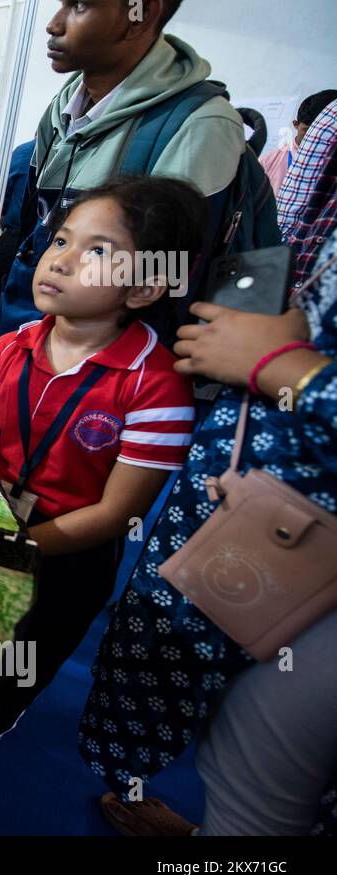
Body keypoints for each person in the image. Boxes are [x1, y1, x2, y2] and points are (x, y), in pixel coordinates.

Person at [0, 176, 202, 800]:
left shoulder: (157, 386)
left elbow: (115, 514)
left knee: (17, 664)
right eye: (61, 238)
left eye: (97, 250)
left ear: (144, 286)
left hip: (69, 556)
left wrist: (21, 545)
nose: (58, 258)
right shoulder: (8, 348)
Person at [80, 228, 337, 837]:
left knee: (266, 774)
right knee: (239, 756)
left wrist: (287, 369)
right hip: (258, 524)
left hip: (310, 556)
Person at [0, 0, 245, 335]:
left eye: (79, 4)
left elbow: (169, 280)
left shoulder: (199, 124)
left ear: (139, 14)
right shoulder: (64, 104)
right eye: (60, 2)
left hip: (102, 370)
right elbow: (35, 231)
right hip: (24, 337)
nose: (53, 24)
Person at [277, 97, 337, 285]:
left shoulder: (332, 115)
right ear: (296, 125)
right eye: (305, 128)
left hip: (305, 258)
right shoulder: (272, 159)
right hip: (299, 254)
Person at [259, 89, 337, 195]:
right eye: (307, 130)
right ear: (296, 124)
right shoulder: (266, 163)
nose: (314, 137)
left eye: (323, 133)